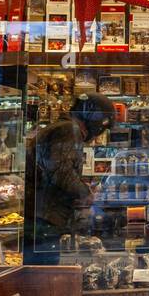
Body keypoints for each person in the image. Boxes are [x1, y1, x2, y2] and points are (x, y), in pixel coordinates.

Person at [23, 92, 116, 263]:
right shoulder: (68, 129)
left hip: (42, 215)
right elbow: (62, 172)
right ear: (96, 121)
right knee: (43, 274)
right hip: (45, 217)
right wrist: (85, 193)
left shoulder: (63, 128)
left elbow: (58, 169)